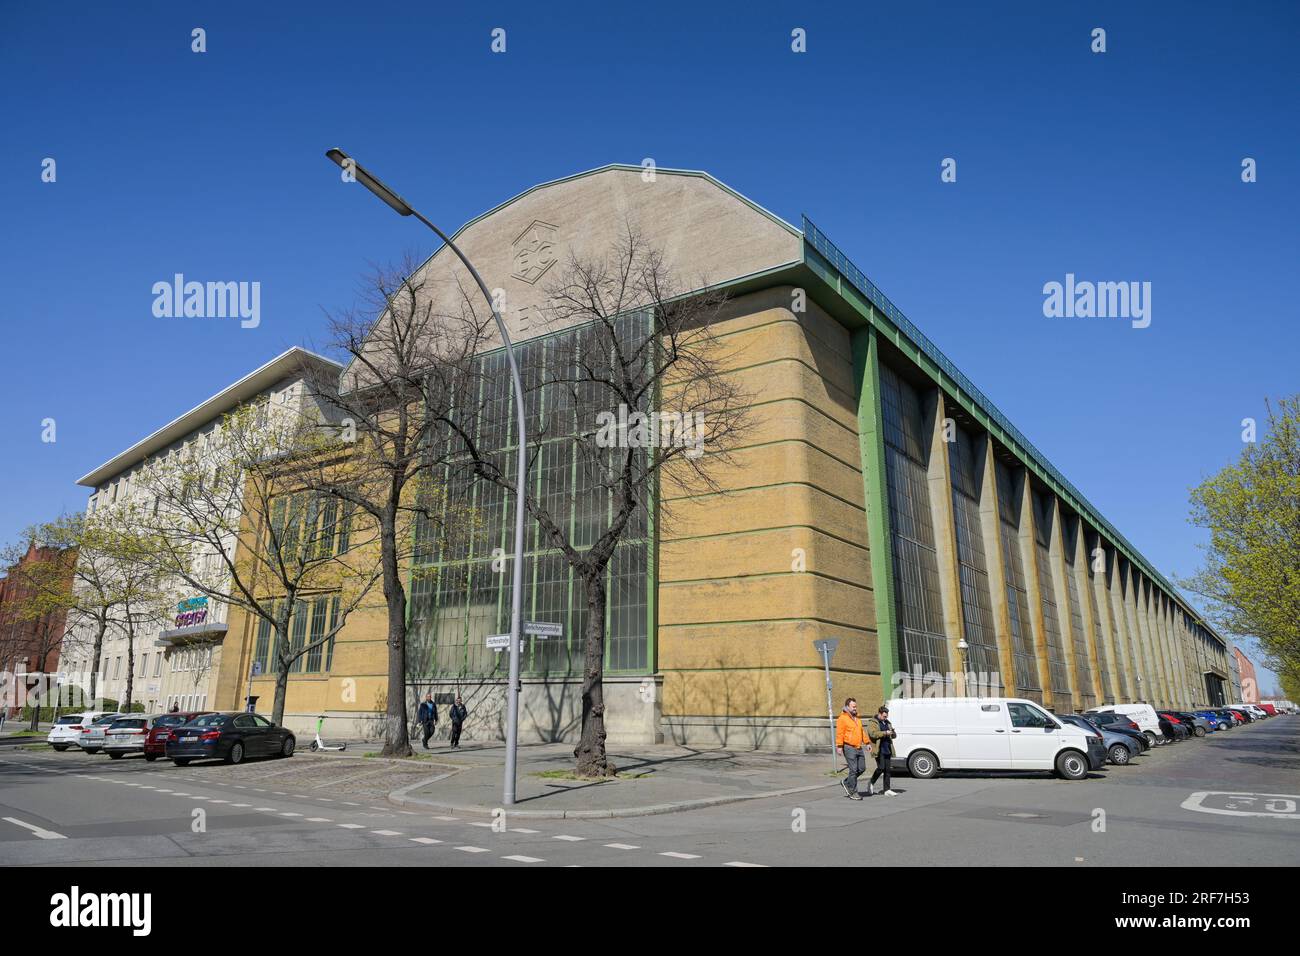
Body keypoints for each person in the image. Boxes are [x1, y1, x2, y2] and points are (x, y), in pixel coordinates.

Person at [835, 697, 868, 800]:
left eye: (855, 706)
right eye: (853, 706)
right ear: (847, 707)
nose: (855, 708)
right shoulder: (842, 718)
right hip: (848, 747)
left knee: (862, 768)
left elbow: (862, 731)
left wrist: (867, 742)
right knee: (853, 770)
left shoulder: (857, 718)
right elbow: (840, 733)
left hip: (858, 746)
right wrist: (839, 746)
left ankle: (846, 782)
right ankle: (853, 792)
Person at [866, 704, 897, 796]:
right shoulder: (873, 722)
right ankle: (871, 782)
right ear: (879, 714)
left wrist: (893, 733)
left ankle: (887, 789)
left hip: (887, 748)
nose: (885, 718)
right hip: (878, 749)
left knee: (888, 770)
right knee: (881, 767)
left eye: (886, 716)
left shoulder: (887, 722)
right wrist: (885, 733)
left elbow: (893, 736)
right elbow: (873, 734)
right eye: (884, 716)